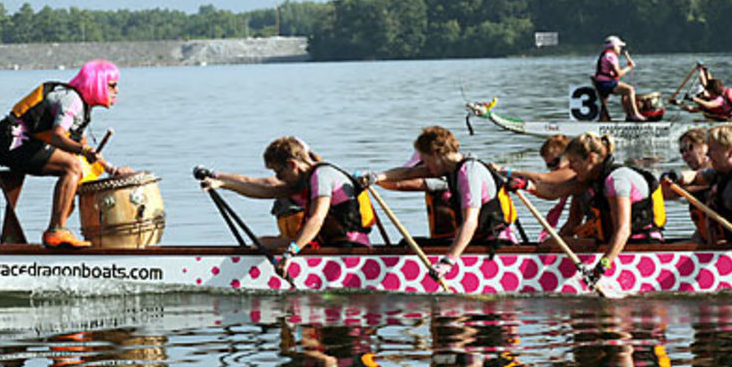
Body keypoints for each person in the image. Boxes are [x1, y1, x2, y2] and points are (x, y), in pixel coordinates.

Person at [0, 60, 124, 248]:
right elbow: (59, 136)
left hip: (25, 142)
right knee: (72, 166)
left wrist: (111, 169)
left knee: (78, 169)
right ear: (97, 84)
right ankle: (56, 231)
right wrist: (83, 152)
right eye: (112, 86)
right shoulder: (72, 100)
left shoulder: (83, 105)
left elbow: (79, 142)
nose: (116, 91)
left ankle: (58, 229)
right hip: (10, 142)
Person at [200, 136, 375, 272]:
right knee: (261, 244)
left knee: (265, 245)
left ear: (292, 164)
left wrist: (290, 253)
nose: (278, 178)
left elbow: (316, 219)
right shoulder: (304, 180)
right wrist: (221, 182)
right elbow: (259, 187)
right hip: (330, 244)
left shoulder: (322, 176)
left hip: (350, 249)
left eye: (279, 172)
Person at [366, 126, 518, 268]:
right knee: (407, 244)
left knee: (412, 246)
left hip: (494, 244)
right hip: (475, 240)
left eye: (426, 161)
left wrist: (448, 261)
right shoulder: (451, 168)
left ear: (436, 154)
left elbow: (470, 221)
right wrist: (376, 177)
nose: (425, 167)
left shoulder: (469, 172)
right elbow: (408, 173)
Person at [559, 133, 666, 284]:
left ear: (590, 158)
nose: (570, 167)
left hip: (639, 244)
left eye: (573, 162)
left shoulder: (616, 180)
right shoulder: (592, 179)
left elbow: (623, 231)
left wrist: (602, 266)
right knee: (551, 243)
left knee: (556, 244)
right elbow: (550, 190)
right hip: (616, 243)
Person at [662, 128, 715, 241]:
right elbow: (668, 194)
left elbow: (701, 178)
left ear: (705, 146)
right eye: (682, 151)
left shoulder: (716, 169)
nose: (685, 155)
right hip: (706, 235)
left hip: (725, 240)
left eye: (690, 148)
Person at [592, 35, 645, 122]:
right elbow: (618, 73)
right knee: (630, 90)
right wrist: (629, 67)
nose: (620, 49)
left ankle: (629, 115)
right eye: (619, 47)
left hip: (604, 82)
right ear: (614, 47)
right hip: (605, 84)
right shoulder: (611, 56)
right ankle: (635, 114)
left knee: (625, 92)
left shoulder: (606, 54)